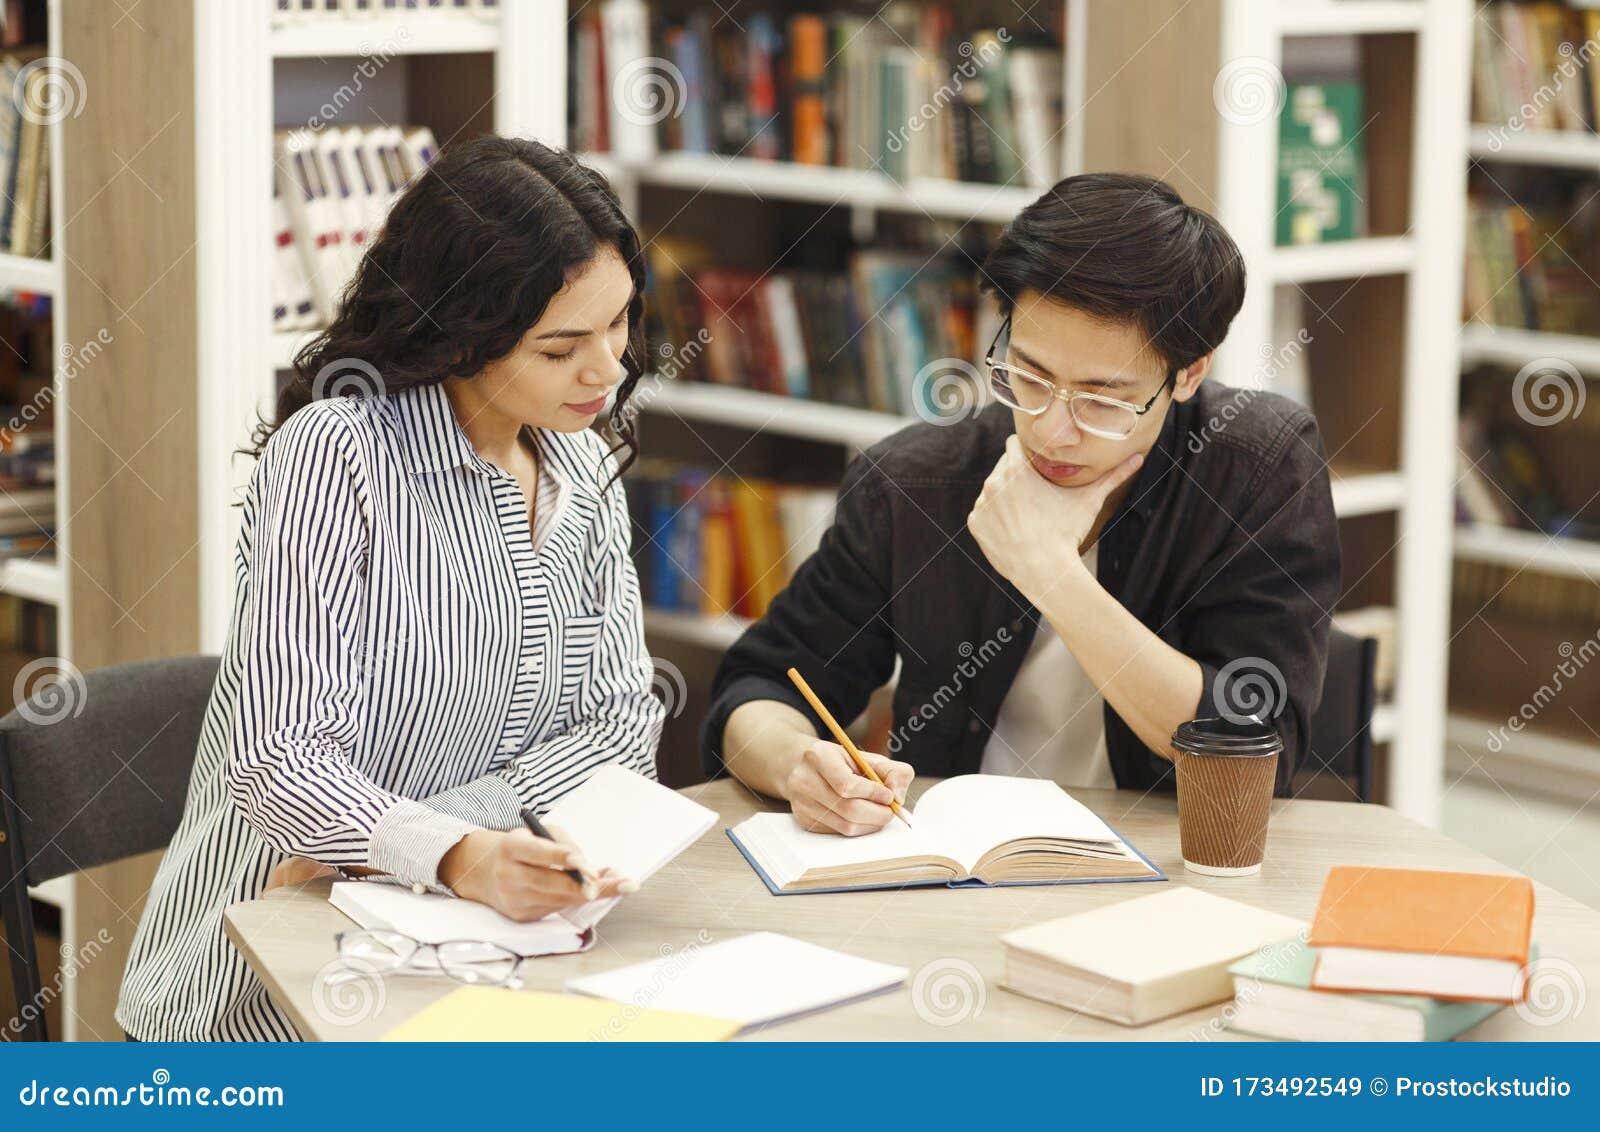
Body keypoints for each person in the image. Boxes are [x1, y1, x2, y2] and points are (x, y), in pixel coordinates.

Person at [117, 138, 663, 1040]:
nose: (607, 369)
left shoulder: (580, 467)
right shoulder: (337, 458)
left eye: (620, 325)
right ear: (463, 332)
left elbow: (621, 735)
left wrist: (446, 844)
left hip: (475, 960)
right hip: (257, 993)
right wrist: (464, 852)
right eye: (563, 346)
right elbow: (279, 760)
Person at [702, 173, 1340, 837]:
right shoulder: (917, 481)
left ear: (1189, 373)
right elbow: (761, 687)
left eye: (1103, 399)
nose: (1052, 428)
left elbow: (1251, 744)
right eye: (1029, 376)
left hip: (1172, 873)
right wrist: (797, 764)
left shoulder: (1258, 467)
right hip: (955, 868)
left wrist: (1049, 573)